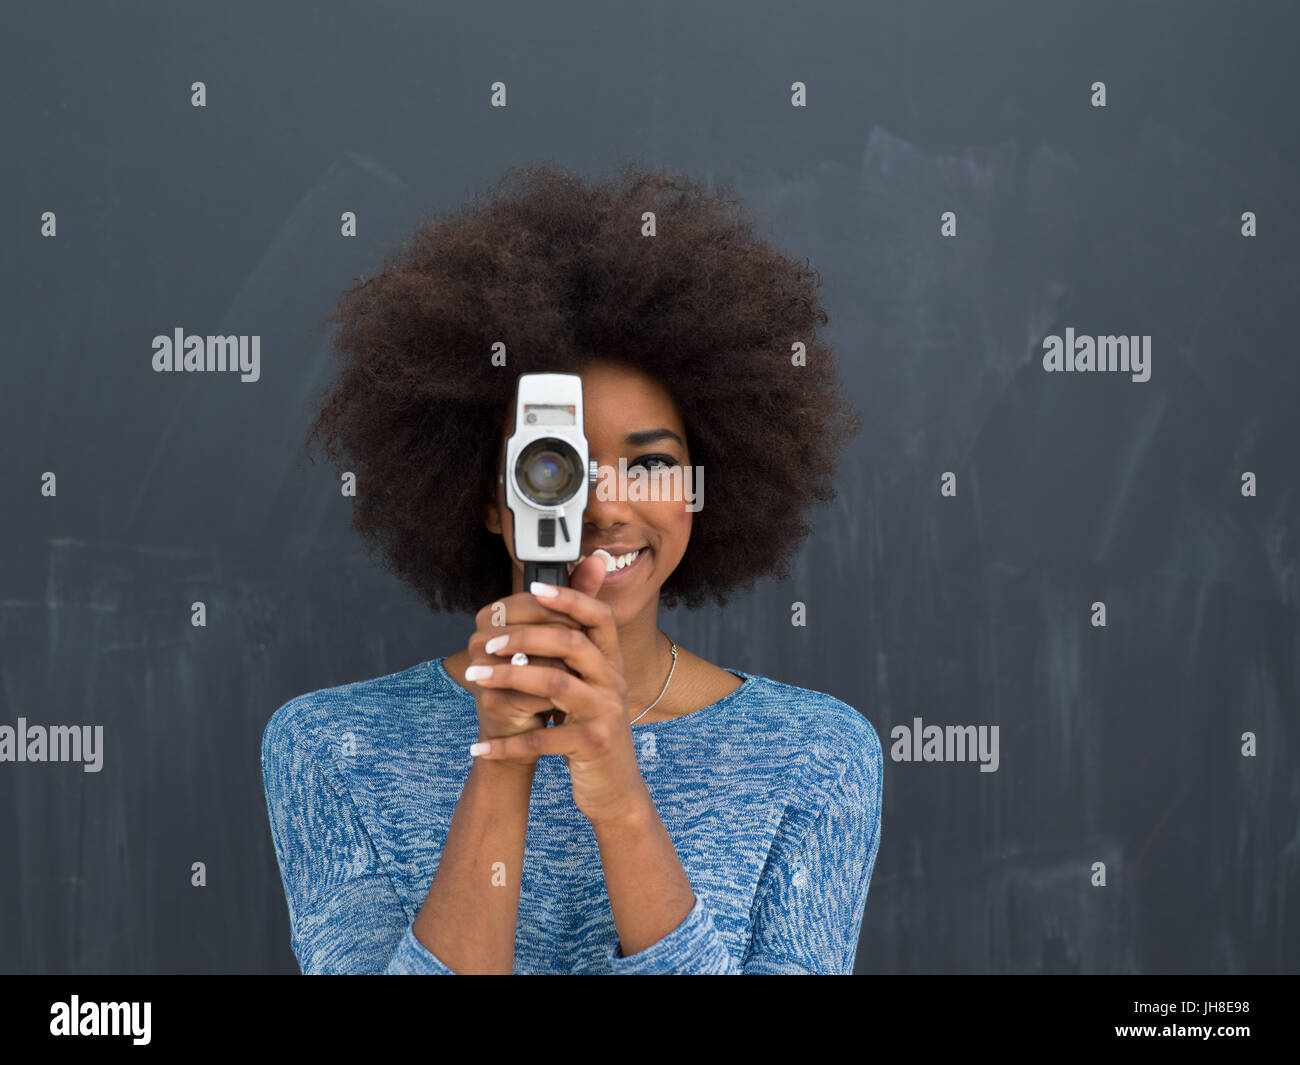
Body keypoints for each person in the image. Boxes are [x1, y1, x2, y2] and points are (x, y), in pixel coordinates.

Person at [261, 161, 883, 973]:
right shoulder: (328, 747)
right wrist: (502, 760)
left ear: (702, 489)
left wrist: (622, 801)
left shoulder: (819, 755)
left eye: (651, 463)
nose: (606, 505)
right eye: (555, 465)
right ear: (489, 496)